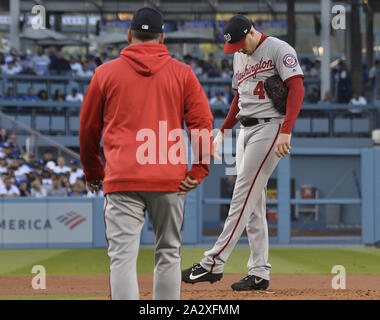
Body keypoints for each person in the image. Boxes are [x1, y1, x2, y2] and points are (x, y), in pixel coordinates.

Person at [80, 7, 213, 300]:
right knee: (168, 253)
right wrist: (199, 168)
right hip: (169, 178)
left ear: (129, 36)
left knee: (122, 257)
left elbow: (88, 129)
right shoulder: (183, 73)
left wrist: (94, 173)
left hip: (122, 177)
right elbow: (202, 122)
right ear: (162, 38)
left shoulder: (104, 73)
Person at [182, 15, 304, 291]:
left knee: (242, 193)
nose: (238, 49)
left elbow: (297, 88)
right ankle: (259, 272)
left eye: (240, 42)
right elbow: (240, 97)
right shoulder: (240, 55)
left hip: (270, 127)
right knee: (254, 205)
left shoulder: (278, 49)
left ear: (251, 32)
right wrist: (223, 131)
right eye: (233, 45)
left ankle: (213, 263)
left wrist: (286, 130)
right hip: (245, 129)